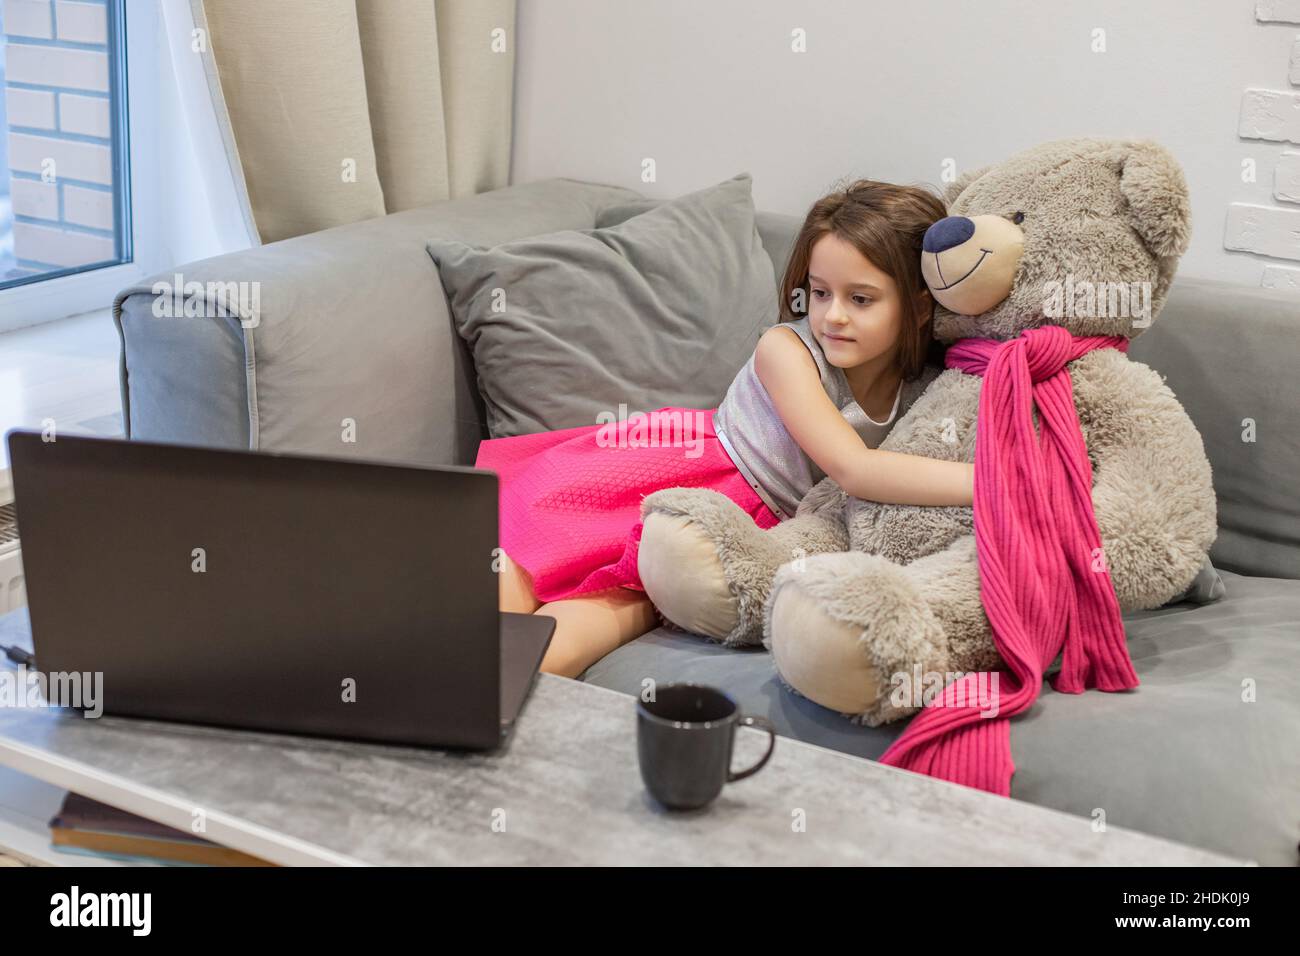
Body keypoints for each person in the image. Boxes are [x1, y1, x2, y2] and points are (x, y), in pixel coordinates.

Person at [479, 179, 969, 677]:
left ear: (921, 304)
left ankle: (494, 701)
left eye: (861, 299)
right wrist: (994, 484)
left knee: (605, 614)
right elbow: (853, 468)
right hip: (688, 472)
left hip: (745, 531)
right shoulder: (787, 351)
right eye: (820, 293)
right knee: (523, 573)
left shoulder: (930, 386)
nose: (833, 315)